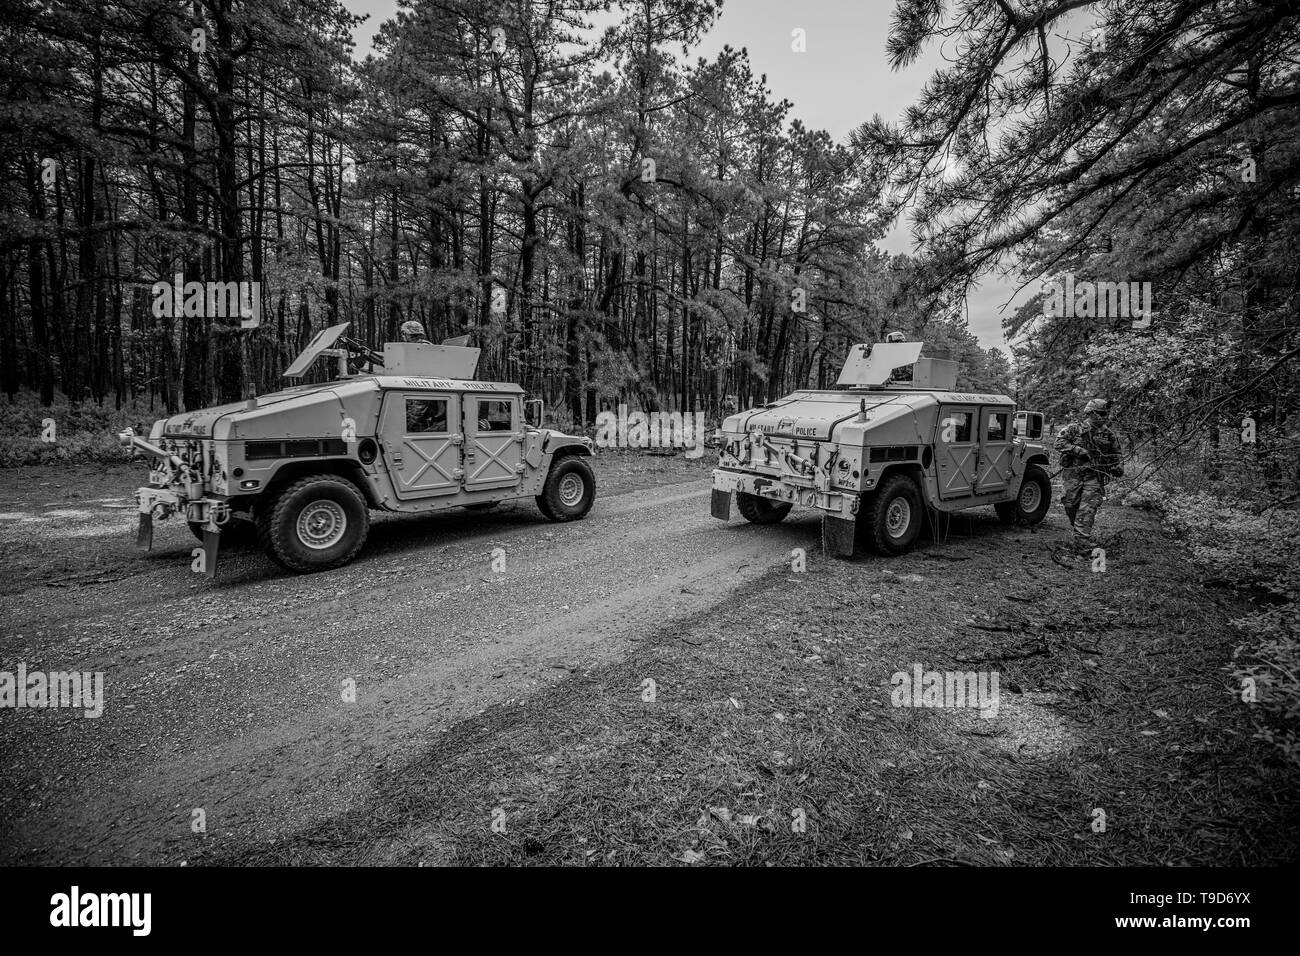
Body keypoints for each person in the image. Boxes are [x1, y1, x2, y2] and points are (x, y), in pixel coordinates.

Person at [1055, 398, 1123, 542]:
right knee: (1070, 503)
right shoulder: (1074, 429)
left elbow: (1116, 453)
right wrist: (1078, 450)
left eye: (1106, 414)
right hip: (1073, 473)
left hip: (1094, 476)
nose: (1105, 417)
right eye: (1101, 413)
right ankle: (1078, 526)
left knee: (1088, 506)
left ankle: (1081, 538)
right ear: (1090, 413)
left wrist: (1118, 466)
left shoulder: (1108, 434)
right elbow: (1059, 443)